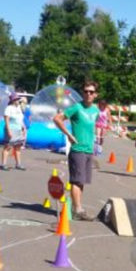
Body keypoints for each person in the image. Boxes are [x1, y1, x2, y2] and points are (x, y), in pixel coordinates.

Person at [53, 80, 100, 221]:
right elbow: (57, 119)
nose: (88, 94)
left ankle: (76, 208)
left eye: (91, 92)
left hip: (88, 149)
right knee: (76, 181)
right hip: (77, 149)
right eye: (86, 91)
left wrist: (95, 142)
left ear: (95, 94)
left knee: (82, 182)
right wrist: (69, 135)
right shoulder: (76, 108)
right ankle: (78, 210)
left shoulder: (95, 110)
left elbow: (91, 128)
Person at [2, 92, 27, 170]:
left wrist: (23, 127)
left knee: (18, 147)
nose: (18, 101)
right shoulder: (9, 108)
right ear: (13, 100)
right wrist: (9, 131)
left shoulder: (18, 108)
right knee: (8, 147)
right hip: (11, 129)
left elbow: (20, 119)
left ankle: (18, 164)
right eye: (16, 99)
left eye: (18, 99)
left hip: (18, 129)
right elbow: (6, 120)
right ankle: (3, 164)